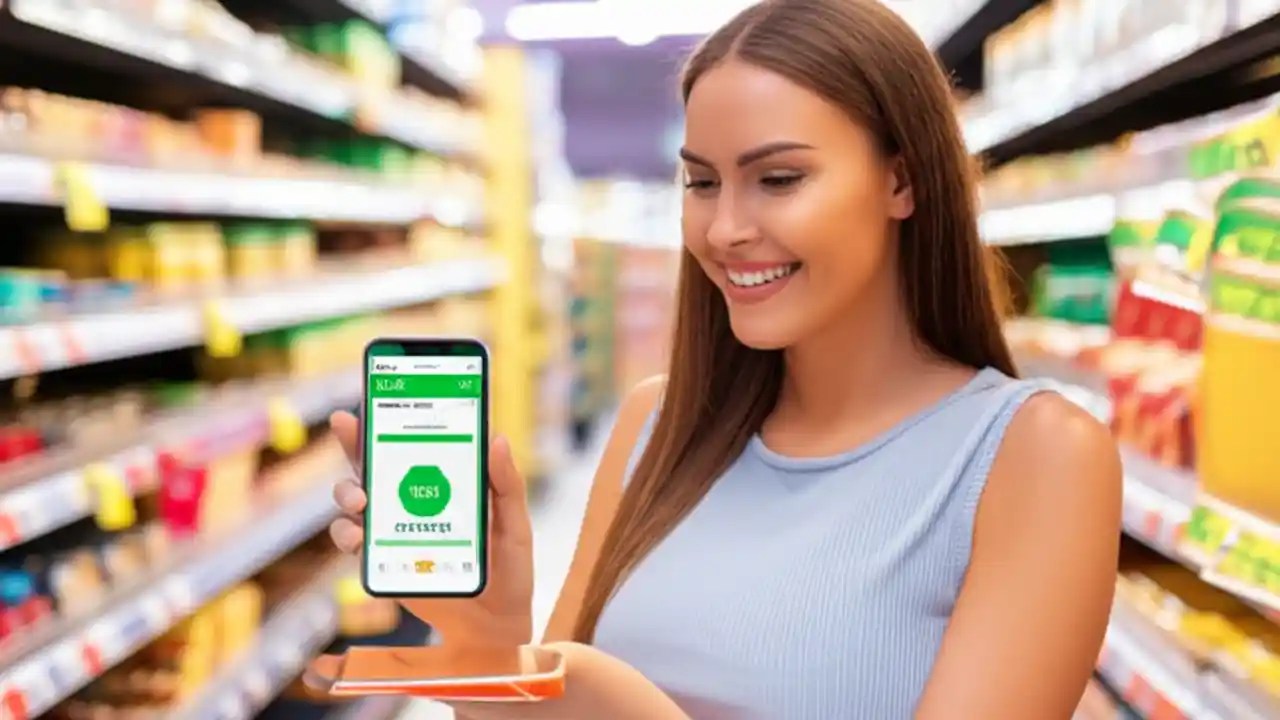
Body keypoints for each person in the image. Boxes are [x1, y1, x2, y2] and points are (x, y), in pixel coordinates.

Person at [319, 0, 1123, 717]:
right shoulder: (657, 424)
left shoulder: (1034, 458)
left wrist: (621, 706)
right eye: (702, 183)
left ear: (901, 180)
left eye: (778, 178)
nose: (725, 228)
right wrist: (488, 640)